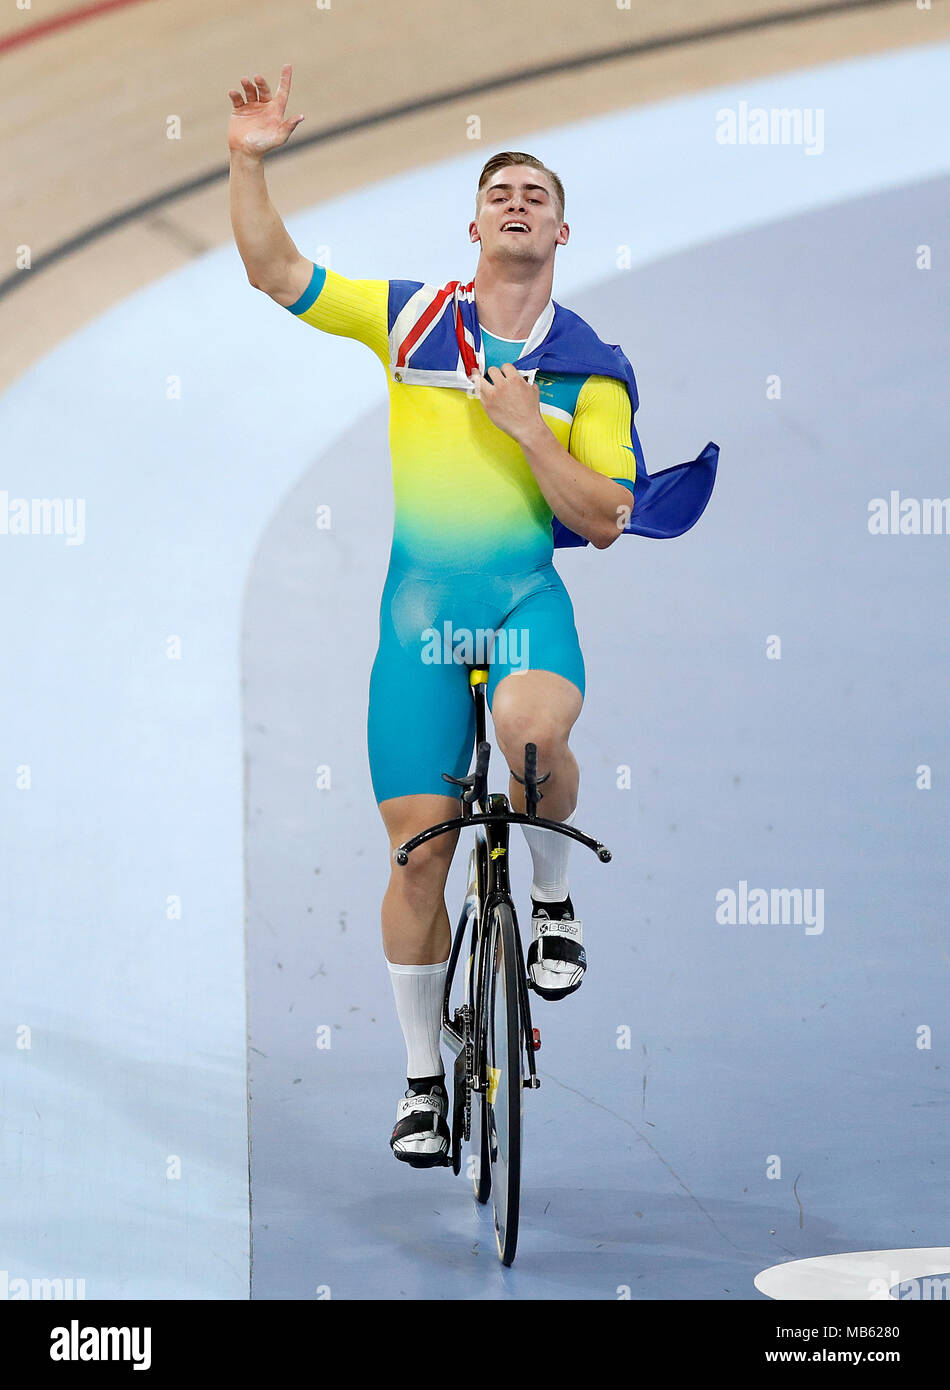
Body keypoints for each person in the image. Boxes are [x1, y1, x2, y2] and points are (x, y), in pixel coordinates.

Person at [228, 65, 697, 1170]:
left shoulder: (592, 372)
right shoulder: (410, 322)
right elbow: (273, 269)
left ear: (563, 229)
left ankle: (553, 900)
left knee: (530, 741)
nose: (517, 202)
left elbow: (602, 521)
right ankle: (421, 1081)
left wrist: (531, 430)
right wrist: (249, 160)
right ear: (475, 224)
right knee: (414, 863)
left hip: (523, 604)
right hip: (417, 628)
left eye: (535, 192)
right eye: (500, 192)